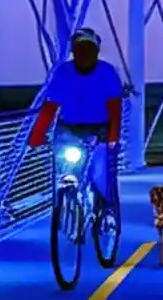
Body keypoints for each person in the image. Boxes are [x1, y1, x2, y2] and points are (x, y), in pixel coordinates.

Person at [27, 27, 124, 202]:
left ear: (96, 52)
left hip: (99, 130)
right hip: (69, 129)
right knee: (66, 171)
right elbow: (50, 106)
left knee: (100, 177)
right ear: (74, 52)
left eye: (89, 50)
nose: (85, 54)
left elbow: (114, 108)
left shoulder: (107, 73)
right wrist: (37, 135)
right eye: (80, 50)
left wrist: (113, 137)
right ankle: (67, 207)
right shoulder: (63, 73)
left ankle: (107, 211)